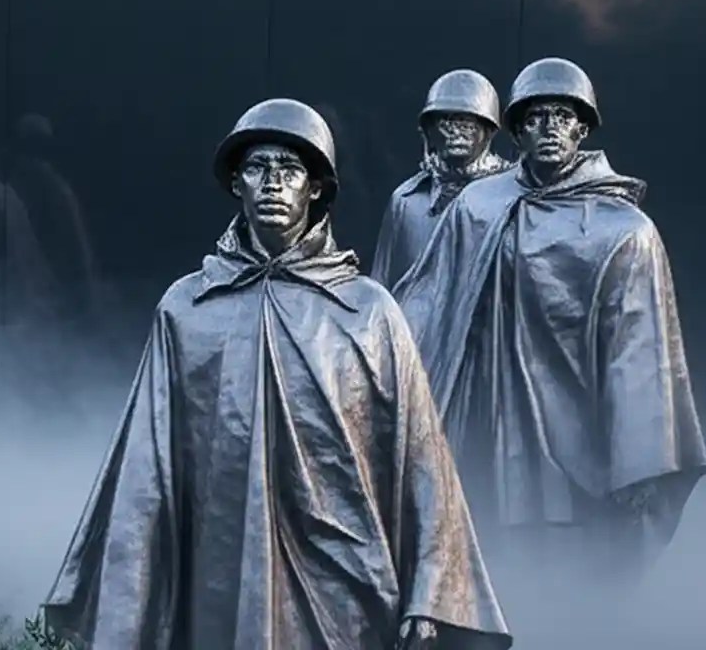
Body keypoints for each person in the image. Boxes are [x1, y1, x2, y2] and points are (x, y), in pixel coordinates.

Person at [44, 98, 511, 650]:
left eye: (290, 169)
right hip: (219, 569)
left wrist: (430, 593)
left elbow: (421, 462)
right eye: (257, 167)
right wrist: (129, 597)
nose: (273, 182)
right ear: (235, 183)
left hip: (346, 577)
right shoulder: (188, 310)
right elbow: (147, 467)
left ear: (316, 188)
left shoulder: (368, 312)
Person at [393, 57, 706, 583]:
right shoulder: (478, 206)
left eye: (563, 117)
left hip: (573, 438)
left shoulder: (624, 231)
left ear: (583, 128)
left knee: (567, 578)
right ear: (516, 130)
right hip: (482, 432)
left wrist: (638, 461)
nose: (550, 128)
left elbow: (641, 358)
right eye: (536, 118)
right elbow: (426, 301)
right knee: (478, 572)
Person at [370, 69, 508, 289]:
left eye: (466, 124)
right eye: (446, 124)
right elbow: (383, 281)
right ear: (428, 131)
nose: (455, 133)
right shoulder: (406, 201)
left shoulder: (510, 196)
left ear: (488, 130)